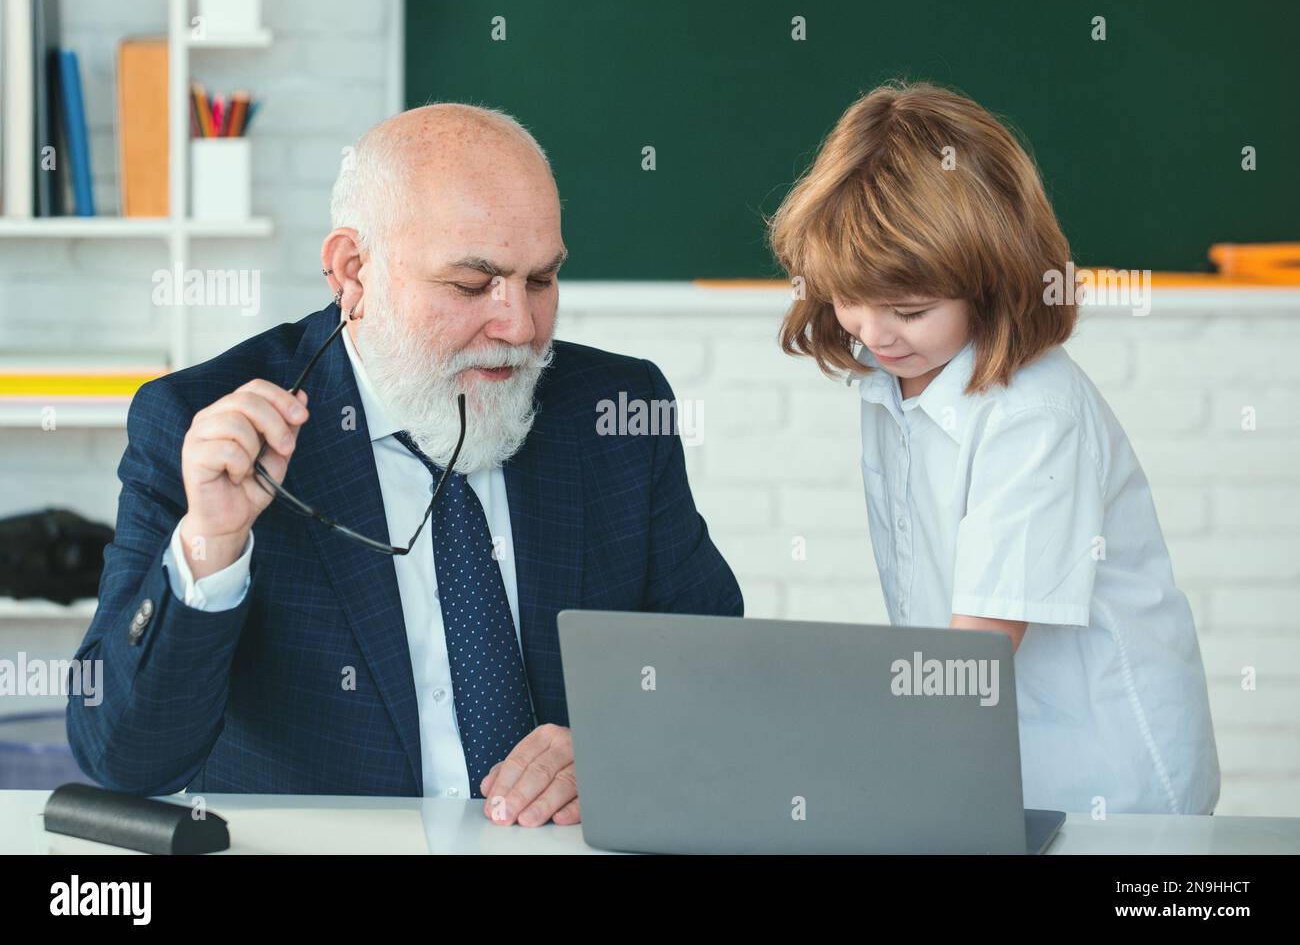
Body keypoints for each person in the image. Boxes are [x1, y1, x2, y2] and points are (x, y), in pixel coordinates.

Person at [66, 103, 743, 827]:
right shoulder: (198, 423)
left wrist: (619, 746)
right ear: (352, 272)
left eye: (541, 280)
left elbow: (719, 670)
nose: (518, 326)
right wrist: (213, 546)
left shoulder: (617, 411)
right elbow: (124, 759)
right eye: (471, 284)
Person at [767, 81, 1219, 814]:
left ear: (993, 281)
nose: (874, 333)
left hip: (1109, 784)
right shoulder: (896, 376)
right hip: (990, 761)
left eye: (910, 310)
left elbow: (972, 657)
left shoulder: (1036, 414)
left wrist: (835, 763)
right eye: (850, 297)